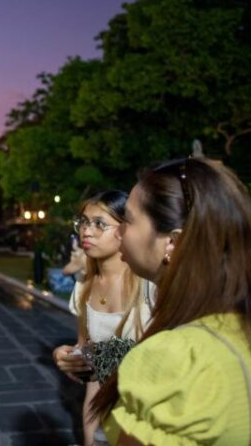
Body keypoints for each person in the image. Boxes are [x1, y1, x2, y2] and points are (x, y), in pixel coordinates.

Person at [91, 158, 251, 444]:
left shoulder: (176, 357)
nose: (117, 232)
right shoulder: (235, 326)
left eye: (126, 220)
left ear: (172, 243)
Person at [52, 190, 151, 446]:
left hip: (149, 425)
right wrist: (70, 358)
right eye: (84, 222)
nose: (87, 230)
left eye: (99, 224)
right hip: (106, 422)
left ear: (125, 229)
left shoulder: (150, 285)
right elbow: (93, 378)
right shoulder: (84, 287)